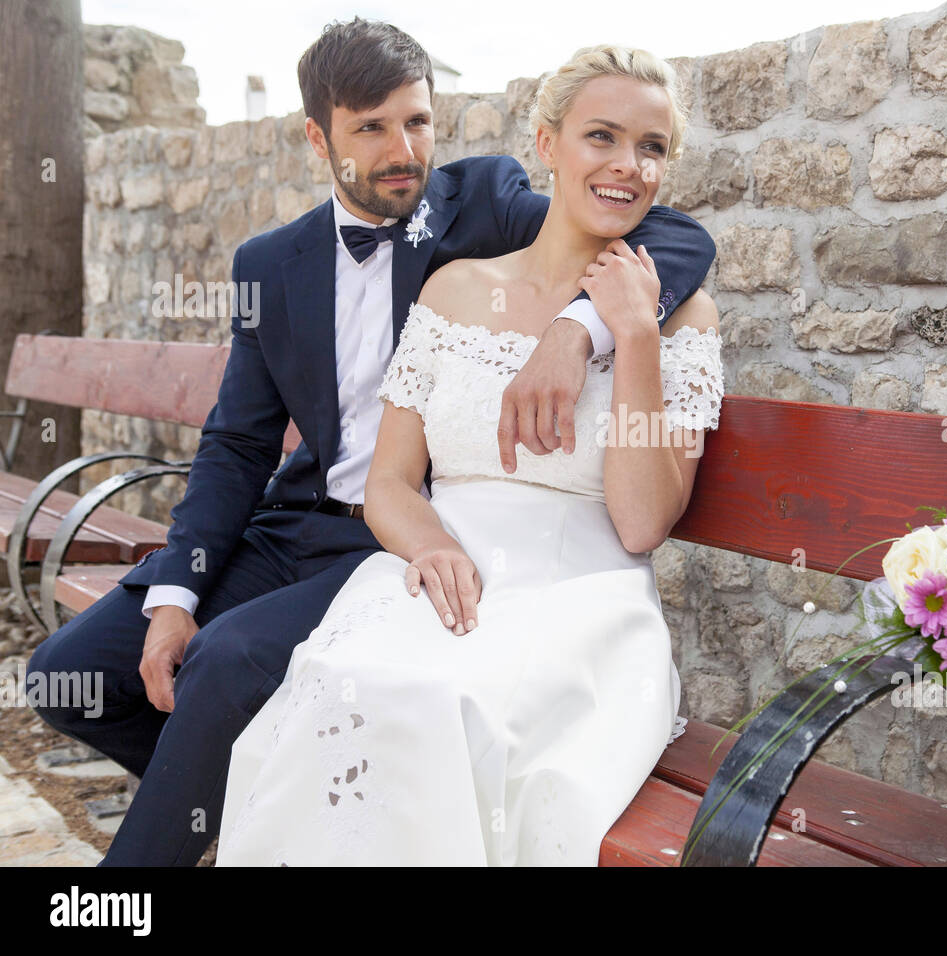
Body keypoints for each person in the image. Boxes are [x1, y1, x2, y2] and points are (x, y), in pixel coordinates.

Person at [24, 19, 715, 867]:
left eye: (418, 122)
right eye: (371, 127)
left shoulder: (484, 204)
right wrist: (177, 594)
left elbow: (671, 231)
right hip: (299, 528)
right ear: (318, 135)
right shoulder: (270, 265)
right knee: (76, 677)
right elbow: (237, 444)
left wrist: (579, 330)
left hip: (412, 541)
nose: (403, 149)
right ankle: (243, 808)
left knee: (227, 663)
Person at [214, 43, 724, 866]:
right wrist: (430, 544)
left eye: (653, 147)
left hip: (580, 600)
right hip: (439, 575)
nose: (629, 167)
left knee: (440, 702)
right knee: (336, 690)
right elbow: (388, 484)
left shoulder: (678, 313)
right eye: (602, 137)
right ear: (547, 144)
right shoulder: (454, 290)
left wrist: (630, 336)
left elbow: (640, 523)